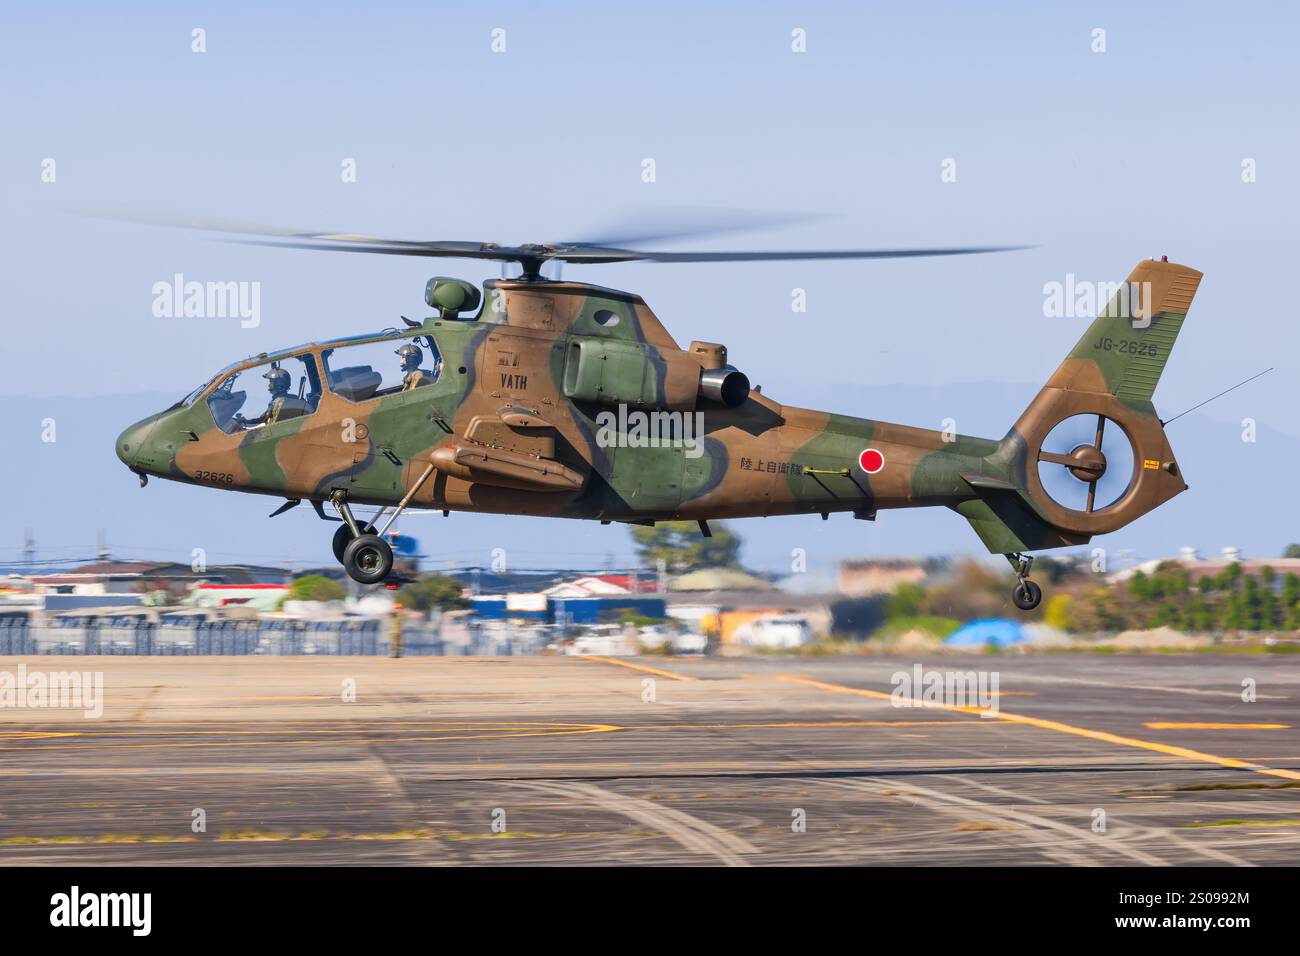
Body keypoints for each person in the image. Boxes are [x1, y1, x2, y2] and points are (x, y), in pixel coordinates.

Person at [238, 367, 309, 427]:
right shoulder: (278, 402)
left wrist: (246, 423)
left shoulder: (281, 403)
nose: (269, 385)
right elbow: (263, 419)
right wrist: (246, 422)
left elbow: (266, 422)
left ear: (279, 384)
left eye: (271, 382)